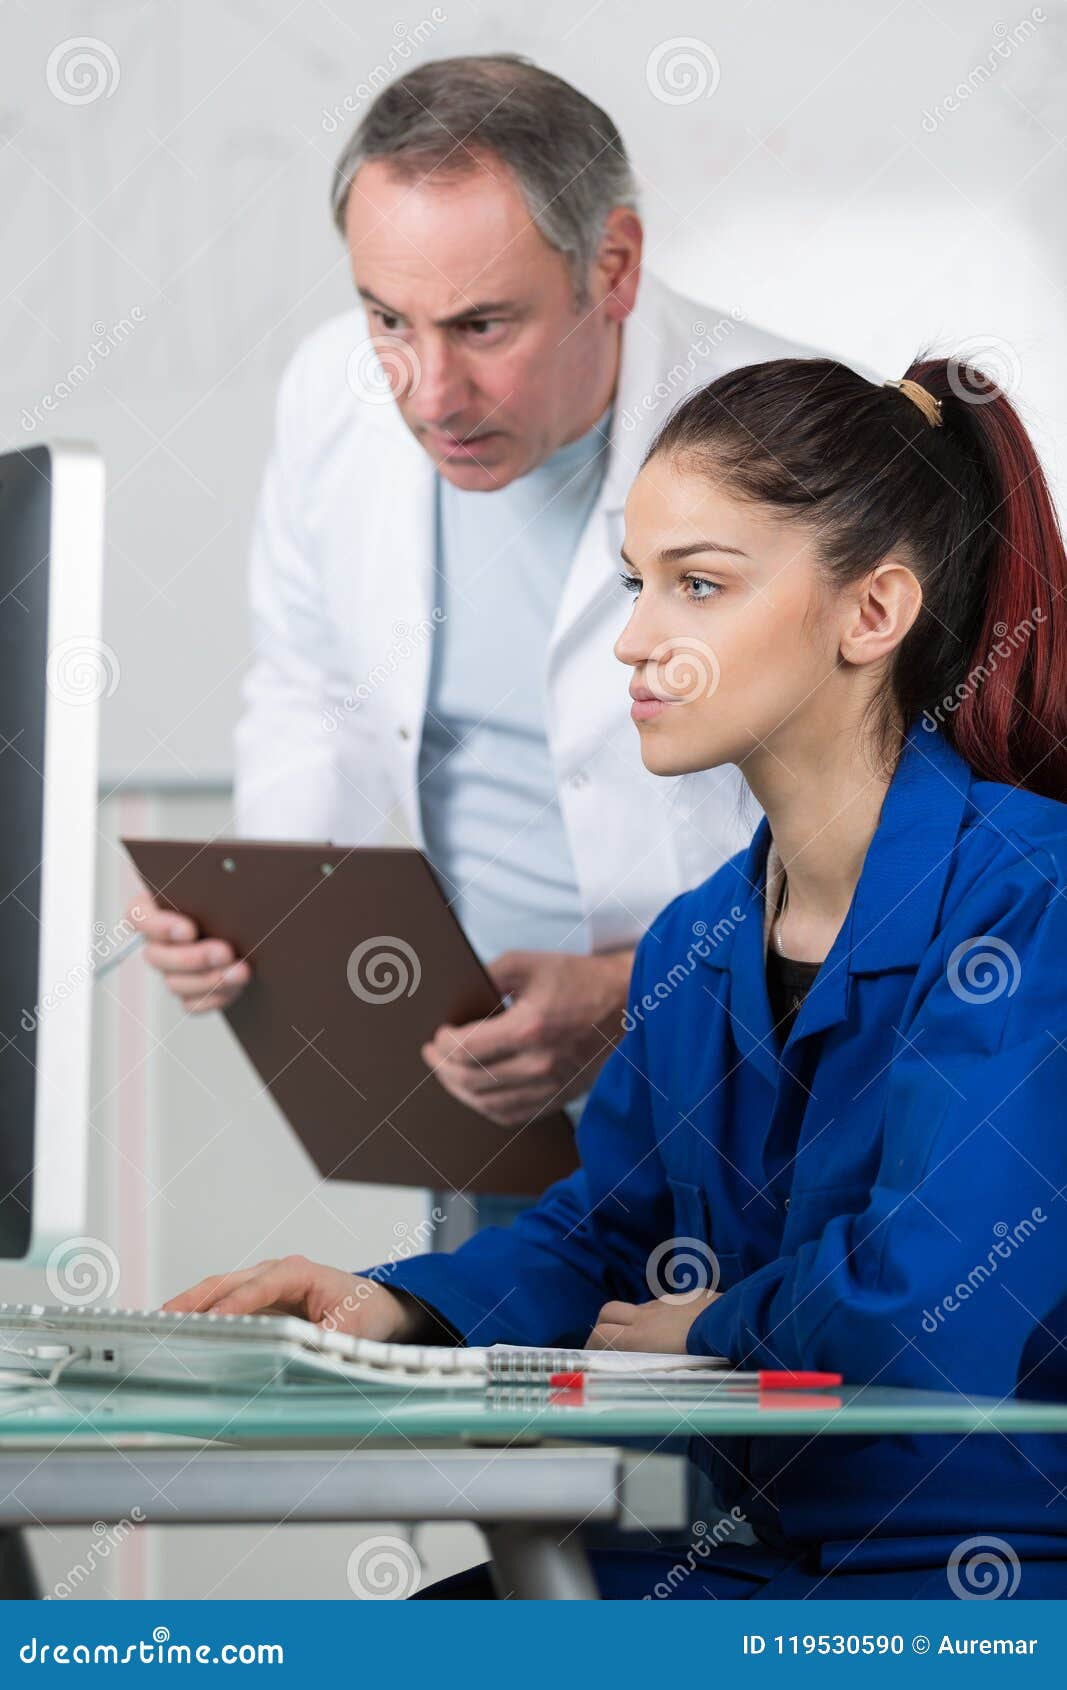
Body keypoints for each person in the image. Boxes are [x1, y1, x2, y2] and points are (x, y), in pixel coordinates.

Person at [166, 350, 1067, 1598]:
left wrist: (710, 1325)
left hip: (944, 1581)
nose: (636, 640)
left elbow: (932, 1296)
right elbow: (607, 1238)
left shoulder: (1031, 899)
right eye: (636, 584)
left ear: (871, 614)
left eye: (697, 586)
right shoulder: (696, 936)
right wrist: (390, 1309)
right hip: (710, 1562)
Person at [128, 54, 810, 1238]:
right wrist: (267, 910)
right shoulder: (330, 402)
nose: (428, 391)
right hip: (496, 1104)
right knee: (502, 1406)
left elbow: (878, 819)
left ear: (614, 267)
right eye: (387, 319)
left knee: (758, 1407)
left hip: (765, 1084)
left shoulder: (787, 438)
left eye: (482, 324)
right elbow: (312, 685)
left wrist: (625, 994)